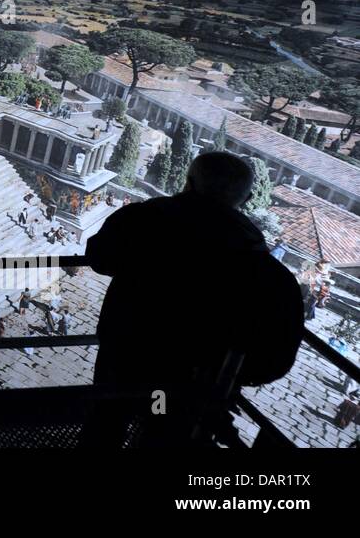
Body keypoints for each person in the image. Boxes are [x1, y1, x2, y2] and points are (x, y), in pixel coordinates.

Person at [82, 152, 304, 446]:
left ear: (188, 182)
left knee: (106, 424)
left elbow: (99, 258)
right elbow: (276, 350)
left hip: (127, 355)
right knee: (161, 433)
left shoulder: (145, 218)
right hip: (194, 378)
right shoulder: (258, 258)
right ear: (246, 198)